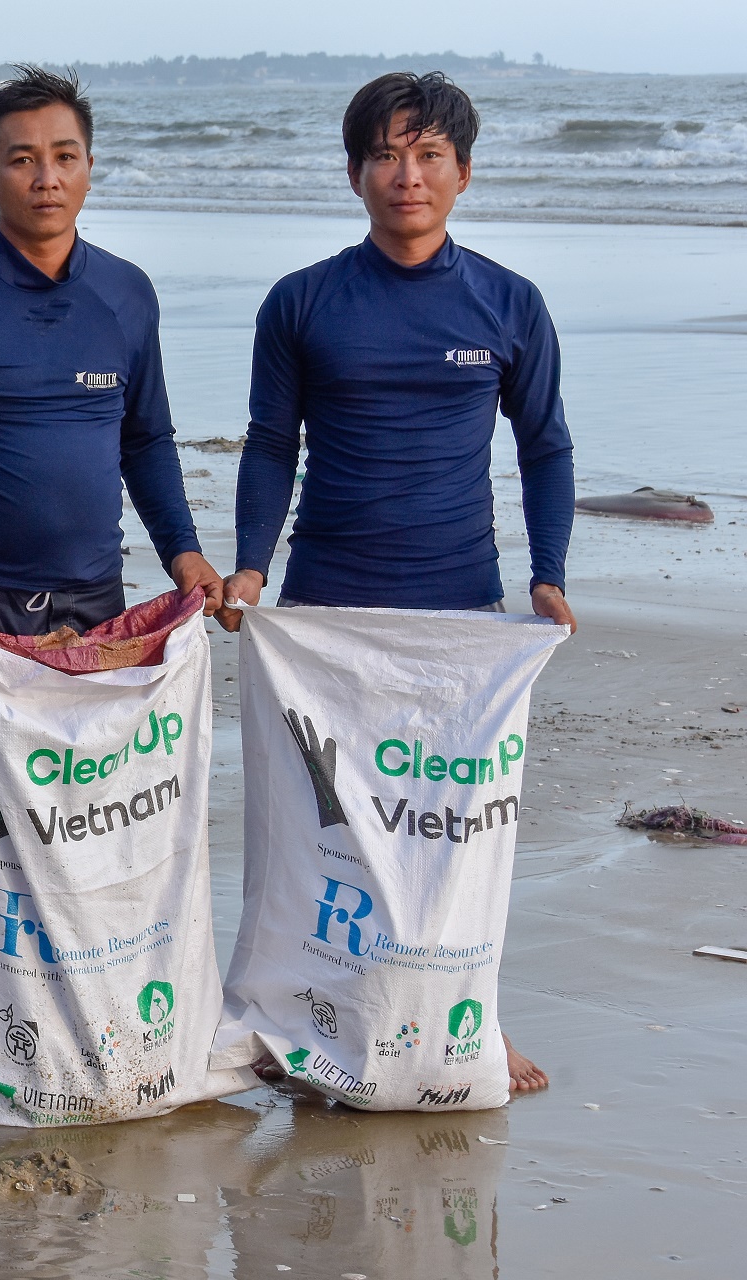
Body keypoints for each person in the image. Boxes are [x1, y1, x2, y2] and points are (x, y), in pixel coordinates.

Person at [0, 67, 226, 1107]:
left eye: (64, 156)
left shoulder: (126, 293)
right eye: (22, 158)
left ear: (91, 167)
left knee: (87, 828)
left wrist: (184, 552)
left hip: (92, 610)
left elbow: (147, 438)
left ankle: (82, 1015)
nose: (46, 176)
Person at [219, 71, 576, 1093]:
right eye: (385, 153)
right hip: (329, 614)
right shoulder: (304, 301)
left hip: (461, 611)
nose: (406, 174)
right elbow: (266, 445)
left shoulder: (508, 302)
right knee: (330, 833)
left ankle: (474, 1023)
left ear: (463, 173)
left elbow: (545, 446)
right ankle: (306, 1018)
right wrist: (253, 560)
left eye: (428, 155)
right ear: (354, 172)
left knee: (455, 832)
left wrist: (548, 574)